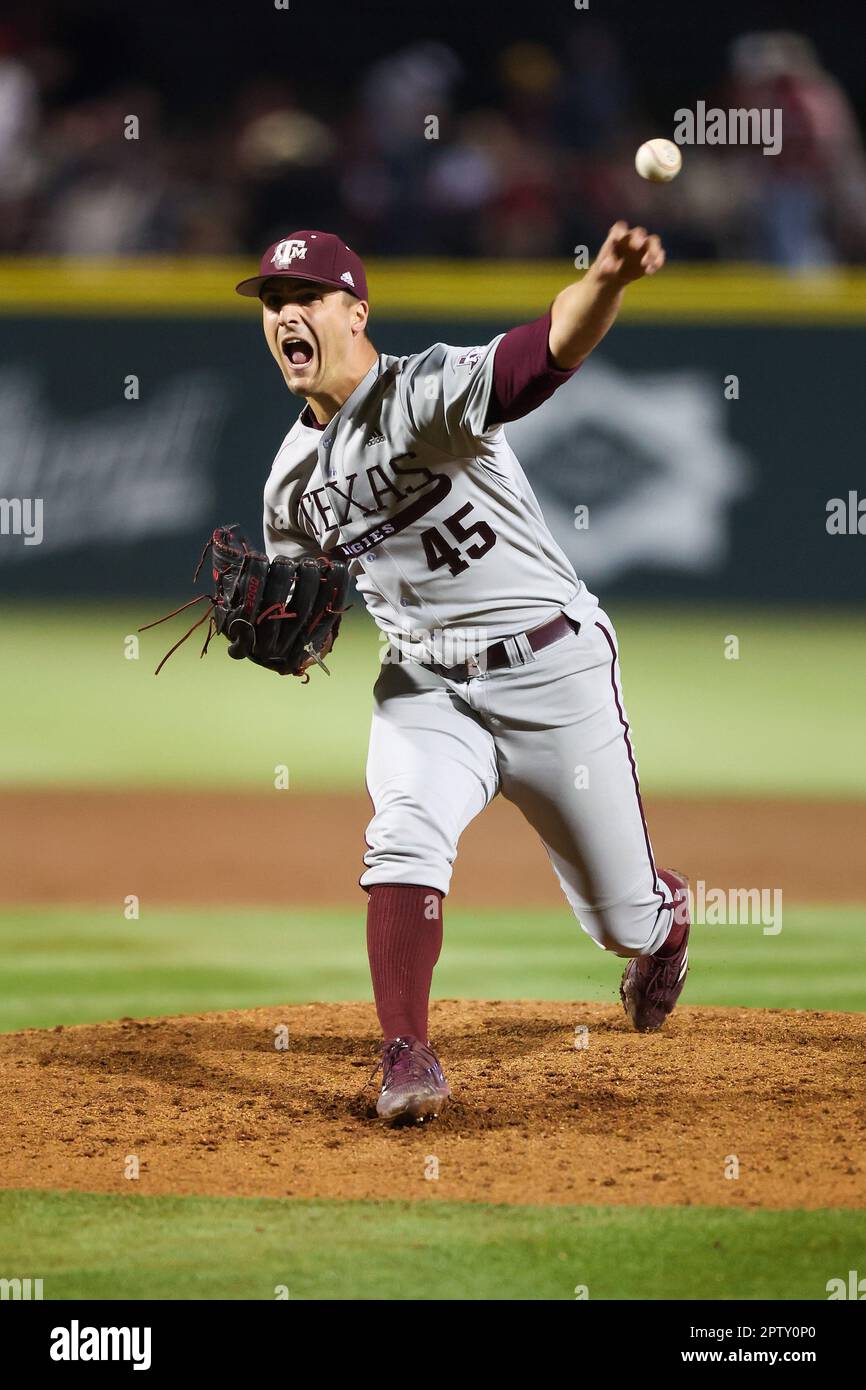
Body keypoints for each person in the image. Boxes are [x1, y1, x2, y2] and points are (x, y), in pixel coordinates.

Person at [235, 225, 690, 1123]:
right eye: (273, 305)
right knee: (403, 833)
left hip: (553, 670)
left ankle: (663, 919)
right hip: (425, 687)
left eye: (306, 299)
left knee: (620, 922)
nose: (286, 316)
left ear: (355, 312)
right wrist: (291, 641)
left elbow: (543, 356)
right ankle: (407, 1054)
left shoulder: (426, 392)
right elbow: (305, 600)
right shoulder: (289, 479)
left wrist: (603, 278)